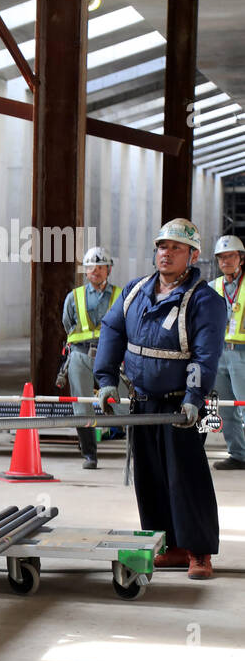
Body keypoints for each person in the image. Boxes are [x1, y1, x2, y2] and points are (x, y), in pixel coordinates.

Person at [93, 218, 226, 580]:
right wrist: (106, 381)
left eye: (176, 248)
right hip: (142, 402)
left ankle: (199, 552)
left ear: (193, 255)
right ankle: (168, 546)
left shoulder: (204, 300)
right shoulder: (136, 291)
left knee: (186, 476)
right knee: (149, 476)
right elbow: (112, 330)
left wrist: (195, 398)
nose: (166, 253)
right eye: (162, 246)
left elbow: (205, 354)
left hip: (182, 404)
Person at [62, 246, 122, 468]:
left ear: (109, 269)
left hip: (112, 356)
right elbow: (68, 325)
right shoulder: (74, 297)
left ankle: (138, 452)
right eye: (90, 267)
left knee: (124, 402)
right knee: (82, 406)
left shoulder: (120, 295)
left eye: (100, 267)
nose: (95, 271)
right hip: (80, 354)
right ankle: (89, 455)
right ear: (85, 271)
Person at [210, 234, 245, 470]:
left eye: (230, 256)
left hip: (242, 353)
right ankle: (238, 454)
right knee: (226, 406)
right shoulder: (213, 287)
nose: (225, 261)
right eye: (221, 257)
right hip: (219, 353)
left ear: (240, 258)